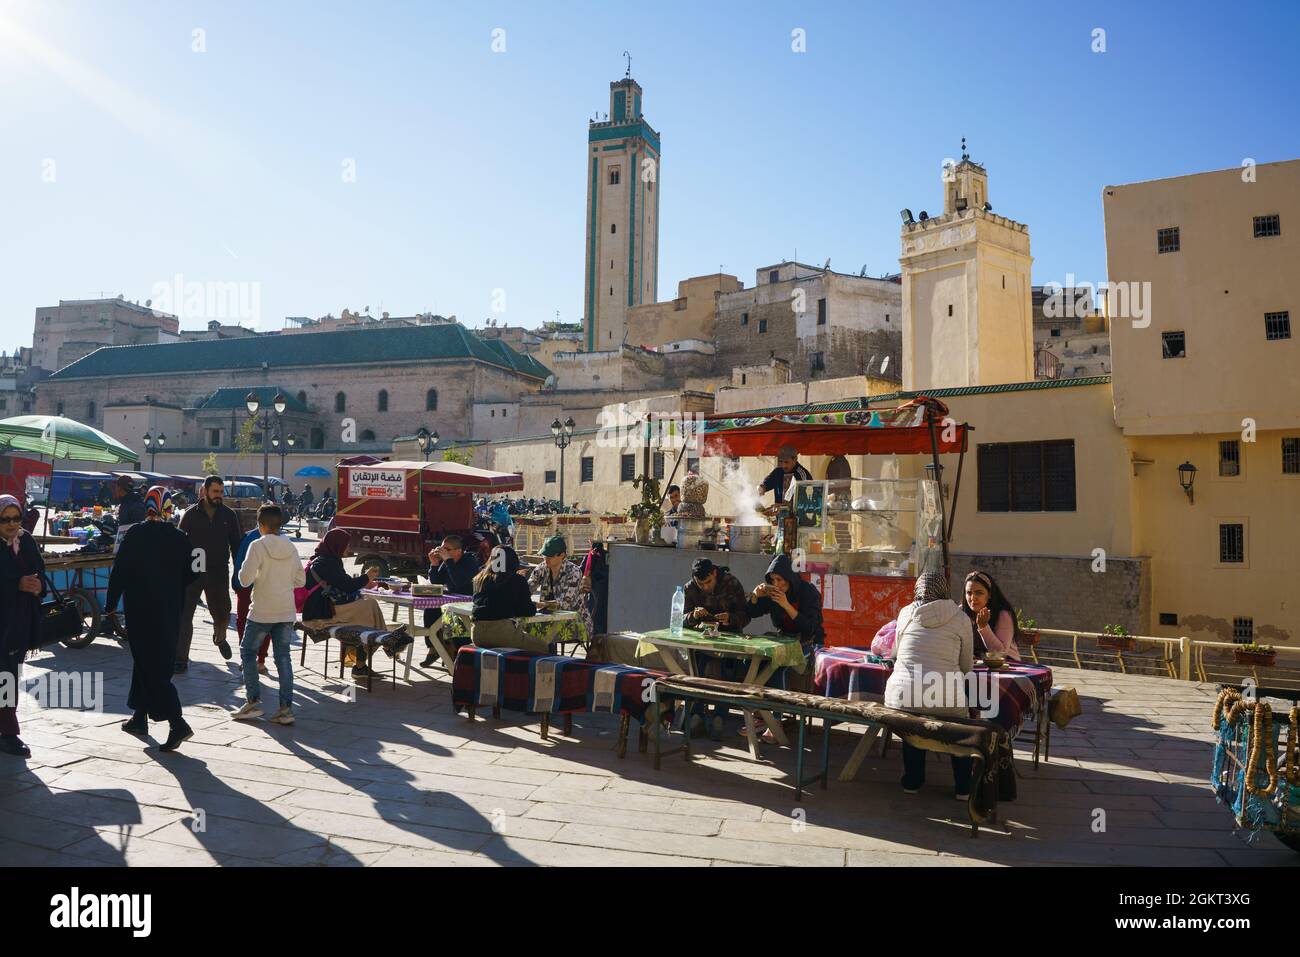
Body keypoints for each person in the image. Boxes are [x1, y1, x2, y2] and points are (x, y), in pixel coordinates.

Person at [106, 487, 199, 753]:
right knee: (149, 661)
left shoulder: (135, 535)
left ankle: (177, 722)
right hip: (170, 610)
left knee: (150, 666)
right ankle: (139, 718)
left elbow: (120, 571)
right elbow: (194, 572)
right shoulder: (181, 538)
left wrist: (111, 604)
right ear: (169, 509)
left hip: (140, 610)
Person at [884, 573, 975, 799]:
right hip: (944, 696)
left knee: (912, 716)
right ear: (945, 590)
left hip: (901, 697)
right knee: (960, 722)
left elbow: (895, 652)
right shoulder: (960, 617)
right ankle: (963, 787)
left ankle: (912, 781)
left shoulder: (905, 613)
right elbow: (966, 666)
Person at [233, 505, 304, 725]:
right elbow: (301, 580)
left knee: (247, 653)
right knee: (283, 658)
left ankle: (253, 701)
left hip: (262, 610)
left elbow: (244, 579)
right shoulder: (290, 547)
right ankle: (286, 709)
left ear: (260, 524)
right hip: (285, 610)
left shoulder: (257, 545)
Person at [176, 476, 241, 671]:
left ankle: (219, 638)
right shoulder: (190, 514)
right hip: (194, 569)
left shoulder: (229, 515)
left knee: (222, 614)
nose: (219, 496)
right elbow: (178, 543)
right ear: (205, 491)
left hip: (218, 571)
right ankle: (180, 659)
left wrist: (239, 572)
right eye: (215, 492)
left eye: (221, 492)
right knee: (185, 615)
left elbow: (236, 545)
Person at [301, 529, 386, 678]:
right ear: (337, 545)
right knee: (369, 607)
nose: (348, 548)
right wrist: (367, 577)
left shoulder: (322, 559)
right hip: (321, 612)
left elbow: (342, 584)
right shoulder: (328, 562)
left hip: (321, 608)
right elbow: (347, 586)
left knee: (366, 609)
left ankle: (363, 658)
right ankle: (371, 654)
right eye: (346, 545)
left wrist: (364, 582)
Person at [0, 495, 45, 758]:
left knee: (9, 675)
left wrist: (38, 585)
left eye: (15, 518)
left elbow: (40, 569)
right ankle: (8, 732)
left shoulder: (25, 540)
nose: (11, 524)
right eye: (5, 519)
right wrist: (15, 584)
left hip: (18, 623)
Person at [471, 545, 546, 654]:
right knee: (543, 646)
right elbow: (527, 611)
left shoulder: (479, 578)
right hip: (502, 633)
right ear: (513, 562)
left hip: (477, 634)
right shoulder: (517, 580)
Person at [747, 552, 825, 654]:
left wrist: (786, 605)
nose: (775, 584)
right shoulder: (774, 591)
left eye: (779, 579)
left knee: (780, 669)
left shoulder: (808, 591)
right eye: (772, 579)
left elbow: (810, 627)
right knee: (752, 660)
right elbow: (752, 613)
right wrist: (755, 596)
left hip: (810, 643)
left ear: (789, 578)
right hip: (785, 640)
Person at [420, 534, 479, 667]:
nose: (442, 551)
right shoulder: (447, 562)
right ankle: (433, 648)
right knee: (431, 609)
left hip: (468, 603)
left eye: (447, 549)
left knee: (451, 617)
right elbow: (436, 581)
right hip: (452, 601)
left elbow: (459, 582)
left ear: (458, 551)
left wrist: (447, 560)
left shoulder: (469, 561)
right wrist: (434, 564)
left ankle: (455, 653)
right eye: (441, 548)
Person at [527, 535, 592, 635]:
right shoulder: (542, 568)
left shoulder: (573, 572)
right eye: (544, 555)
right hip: (548, 619)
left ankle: (546, 650)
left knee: (539, 634)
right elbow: (528, 588)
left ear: (562, 555)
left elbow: (564, 604)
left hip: (576, 623)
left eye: (550, 556)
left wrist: (538, 605)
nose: (546, 559)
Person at [231, 523, 270, 675]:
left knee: (244, 622)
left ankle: (246, 658)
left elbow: (239, 562)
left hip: (246, 587)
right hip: (268, 588)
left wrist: (236, 584)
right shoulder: (283, 541)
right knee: (266, 623)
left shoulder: (249, 538)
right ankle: (260, 661)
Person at [960, 570, 1021, 660]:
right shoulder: (959, 612)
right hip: (974, 666)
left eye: (979, 593)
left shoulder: (1003, 615)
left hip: (1007, 665)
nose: (973, 598)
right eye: (969, 593)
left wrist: (983, 627)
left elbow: (1000, 653)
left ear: (989, 594)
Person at [684, 558, 750, 632]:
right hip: (701, 635)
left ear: (714, 573)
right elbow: (680, 621)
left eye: (708, 581)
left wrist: (730, 619)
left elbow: (746, 616)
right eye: (700, 584)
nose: (705, 587)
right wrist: (693, 616)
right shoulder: (690, 588)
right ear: (694, 578)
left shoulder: (731, 583)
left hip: (730, 635)